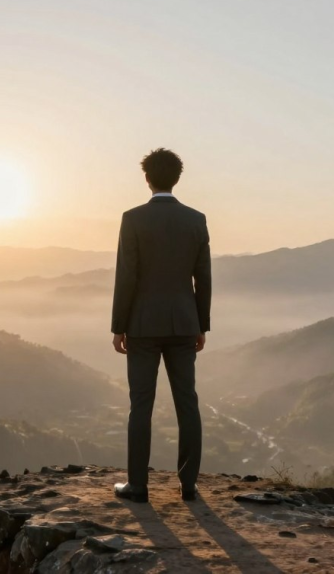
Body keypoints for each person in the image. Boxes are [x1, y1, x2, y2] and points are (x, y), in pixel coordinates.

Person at [110, 148, 211, 503]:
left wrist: (118, 325)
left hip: (141, 325)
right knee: (188, 403)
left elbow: (127, 277)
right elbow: (203, 278)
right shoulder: (196, 220)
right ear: (177, 178)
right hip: (184, 323)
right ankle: (188, 486)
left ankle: (137, 485)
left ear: (147, 178)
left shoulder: (133, 219)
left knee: (141, 404)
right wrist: (202, 324)